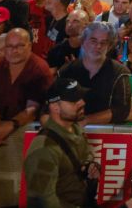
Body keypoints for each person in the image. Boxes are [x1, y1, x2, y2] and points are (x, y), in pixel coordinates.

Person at [23, 75, 99, 207]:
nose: (82, 102)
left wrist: (89, 169)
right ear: (55, 107)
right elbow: (42, 200)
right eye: (73, 100)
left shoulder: (77, 132)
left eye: (81, 97)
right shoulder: (44, 148)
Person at [0, 28, 53, 145]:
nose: (14, 51)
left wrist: (10, 126)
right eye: (9, 46)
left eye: (20, 46)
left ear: (29, 46)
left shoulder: (39, 69)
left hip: (28, 135)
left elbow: (33, 109)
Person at [56, 21, 132, 124]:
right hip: (71, 130)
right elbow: (54, 104)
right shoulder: (66, 71)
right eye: (93, 41)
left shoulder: (120, 73)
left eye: (103, 42)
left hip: (107, 131)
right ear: (83, 42)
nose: (98, 46)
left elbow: (122, 110)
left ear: (109, 46)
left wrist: (87, 121)